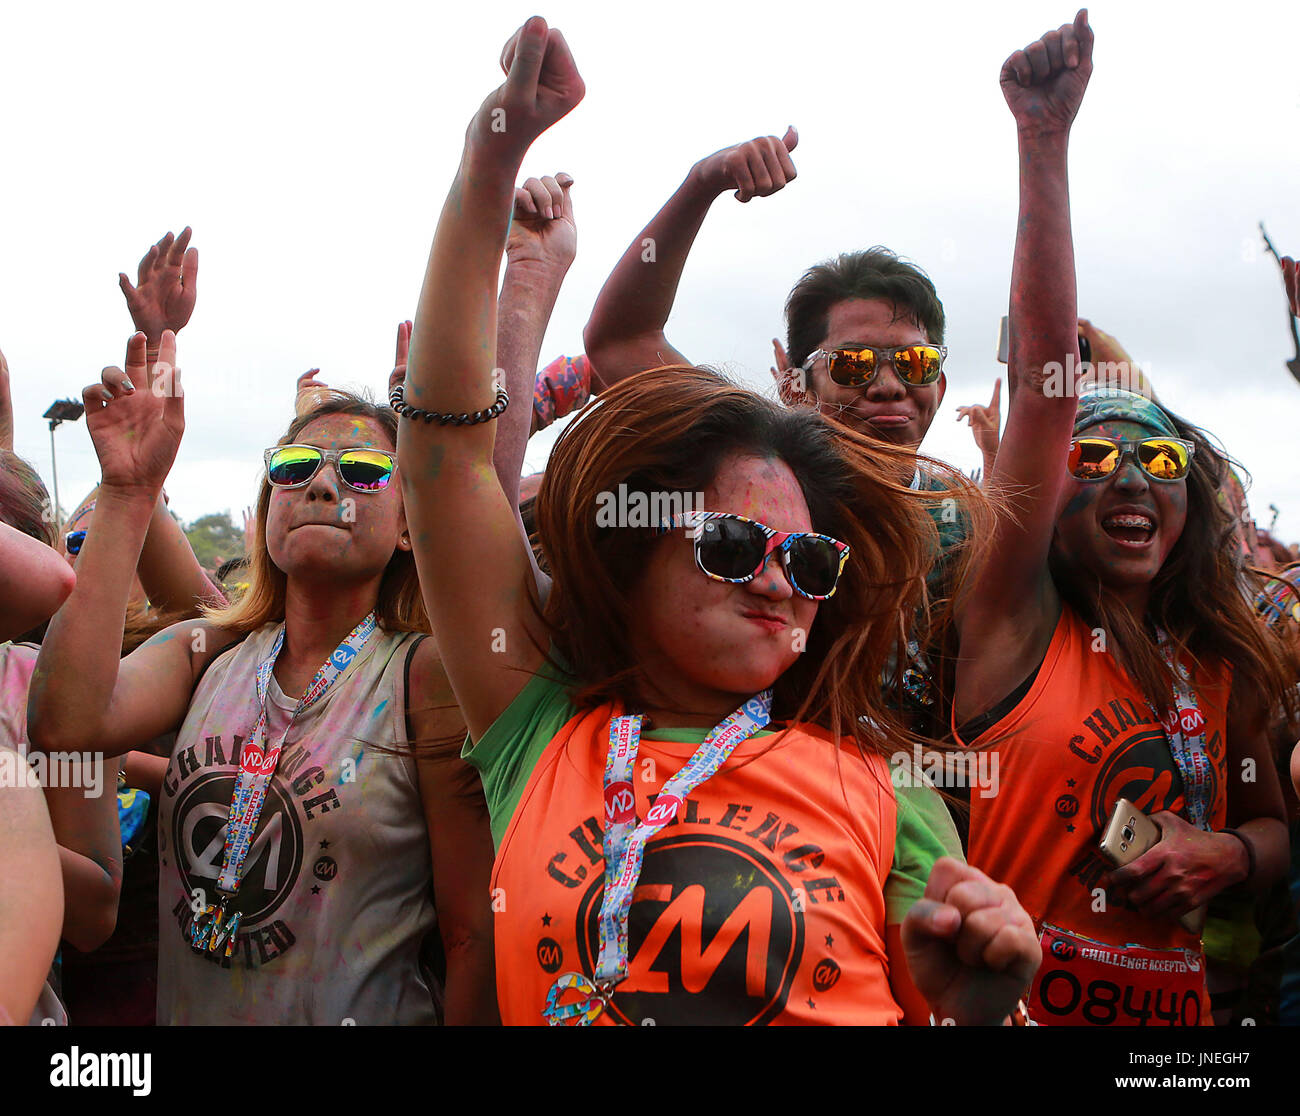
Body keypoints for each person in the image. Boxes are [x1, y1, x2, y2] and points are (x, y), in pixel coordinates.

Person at [398, 15, 1040, 1027]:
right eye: (732, 545)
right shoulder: (539, 729)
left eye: (812, 561)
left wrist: (974, 1012)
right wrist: (493, 151)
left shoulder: (884, 793)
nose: (780, 581)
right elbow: (442, 461)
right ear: (629, 560)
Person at [953, 10, 1297, 1027]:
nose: (1132, 479)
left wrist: (1226, 853)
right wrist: (1042, 143)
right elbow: (1047, 382)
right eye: (1093, 461)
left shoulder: (1216, 657)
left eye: (1160, 461)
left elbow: (1276, 831)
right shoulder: (1011, 619)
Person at [28, 330, 497, 1025]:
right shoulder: (211, 651)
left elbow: (469, 934)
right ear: (270, 504)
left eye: (365, 471)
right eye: (295, 465)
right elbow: (65, 725)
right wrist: (128, 490)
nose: (323, 483)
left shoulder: (422, 676)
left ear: (408, 525)